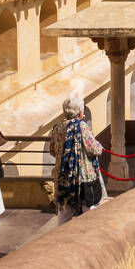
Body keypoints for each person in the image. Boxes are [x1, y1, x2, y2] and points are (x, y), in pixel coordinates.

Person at [48, 95, 105, 225]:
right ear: (80, 111)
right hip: (82, 177)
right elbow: (94, 149)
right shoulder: (81, 126)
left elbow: (52, 151)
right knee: (88, 212)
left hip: (63, 177)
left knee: (64, 215)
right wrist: (100, 147)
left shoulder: (57, 128)